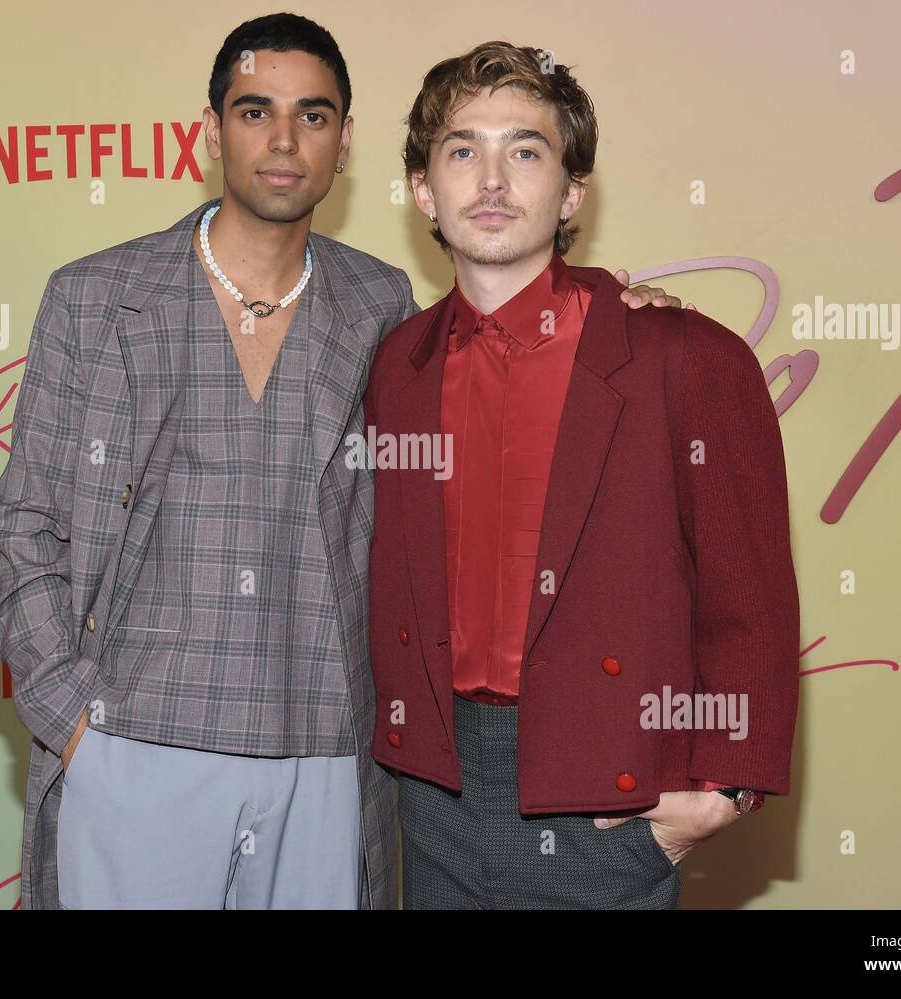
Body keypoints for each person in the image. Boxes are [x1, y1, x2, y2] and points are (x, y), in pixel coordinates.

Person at [0, 14, 683, 910]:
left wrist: (610, 301)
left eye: (313, 116)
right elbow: (24, 524)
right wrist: (73, 724)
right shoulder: (95, 297)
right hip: (136, 744)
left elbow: (507, 327)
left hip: (322, 756)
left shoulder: (379, 304)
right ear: (210, 132)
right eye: (254, 112)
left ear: (345, 142)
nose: (284, 140)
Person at [364, 41, 800, 909]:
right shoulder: (394, 364)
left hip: (611, 790)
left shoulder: (683, 356)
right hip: (432, 798)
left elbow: (748, 593)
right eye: (463, 151)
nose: (492, 179)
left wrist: (722, 792)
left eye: (525, 151)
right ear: (423, 190)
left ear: (570, 192)